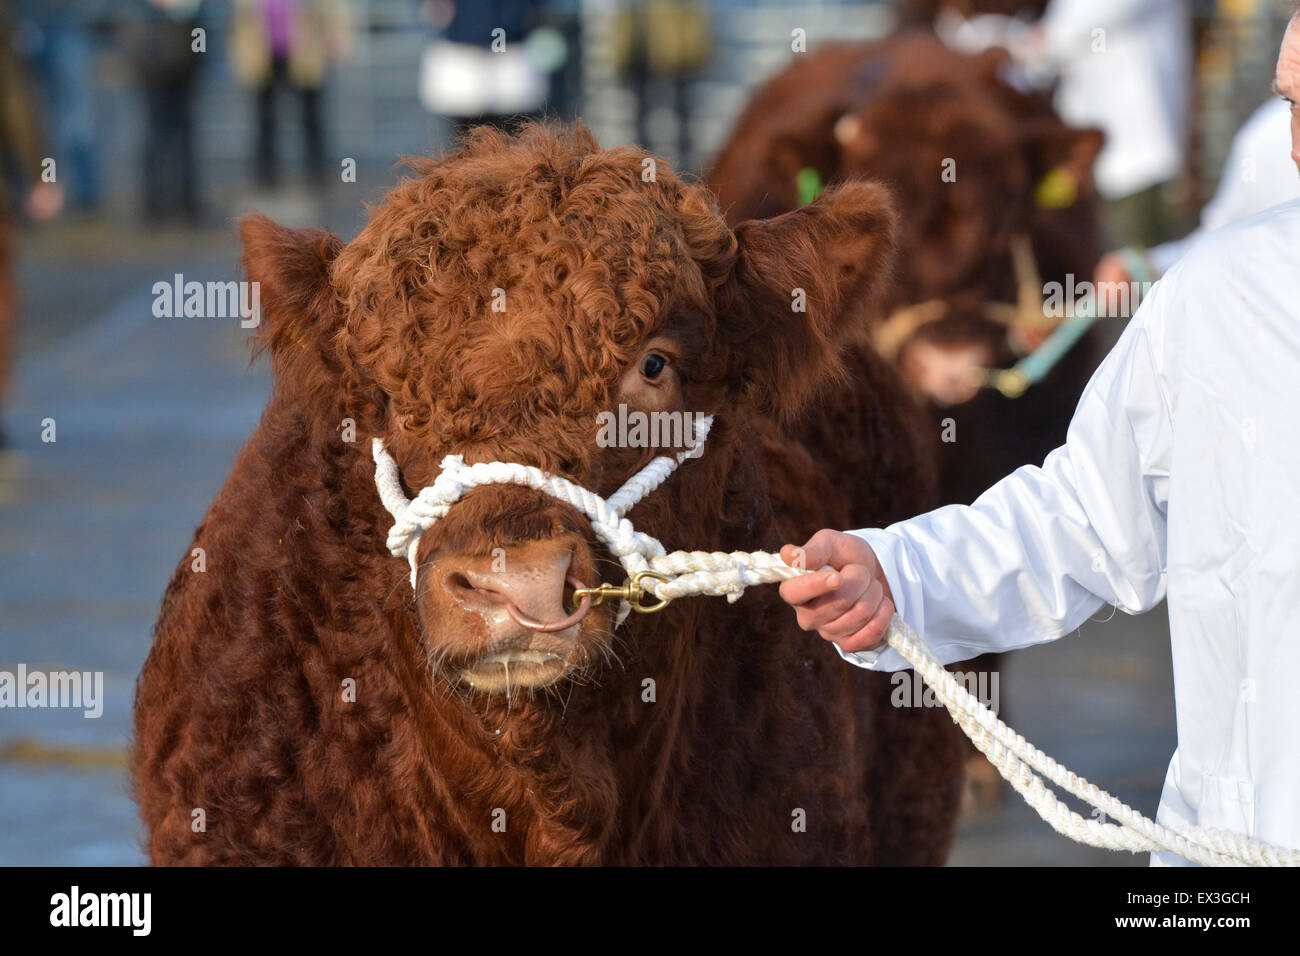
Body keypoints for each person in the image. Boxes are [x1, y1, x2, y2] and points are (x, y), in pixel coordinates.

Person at [780, 10, 1300, 866]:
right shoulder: (1219, 297)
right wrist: (898, 577)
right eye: (1289, 107)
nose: (1293, 151)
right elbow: (1087, 519)